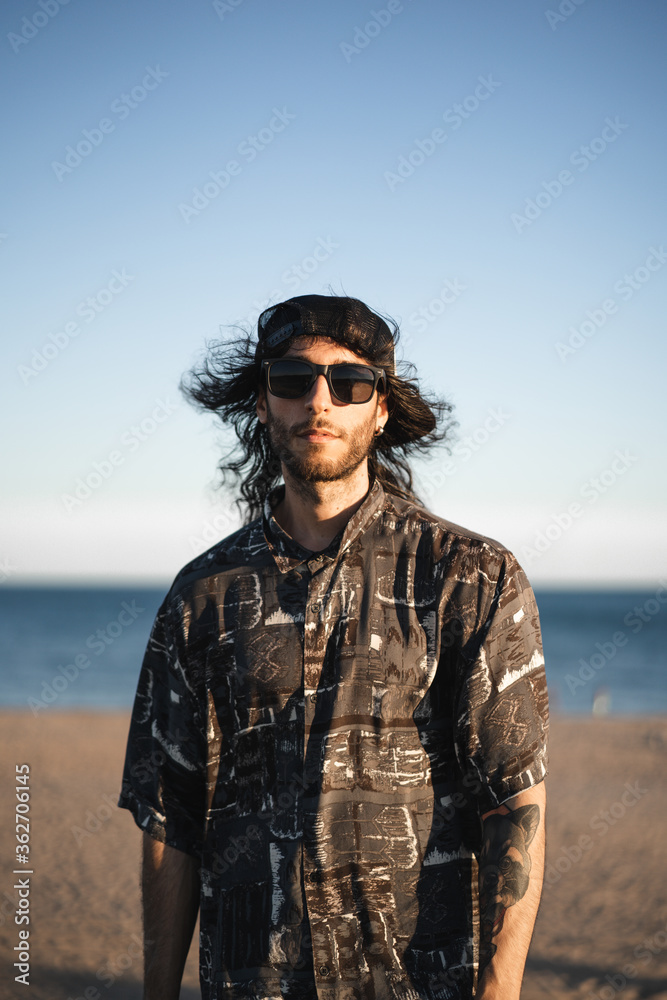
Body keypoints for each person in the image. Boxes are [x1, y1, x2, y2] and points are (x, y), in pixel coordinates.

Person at [118, 294, 549, 1000]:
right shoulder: (201, 598)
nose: (318, 400)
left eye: (348, 383)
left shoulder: (469, 576)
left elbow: (513, 802)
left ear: (380, 409)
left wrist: (498, 994)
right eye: (291, 379)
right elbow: (173, 817)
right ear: (262, 401)